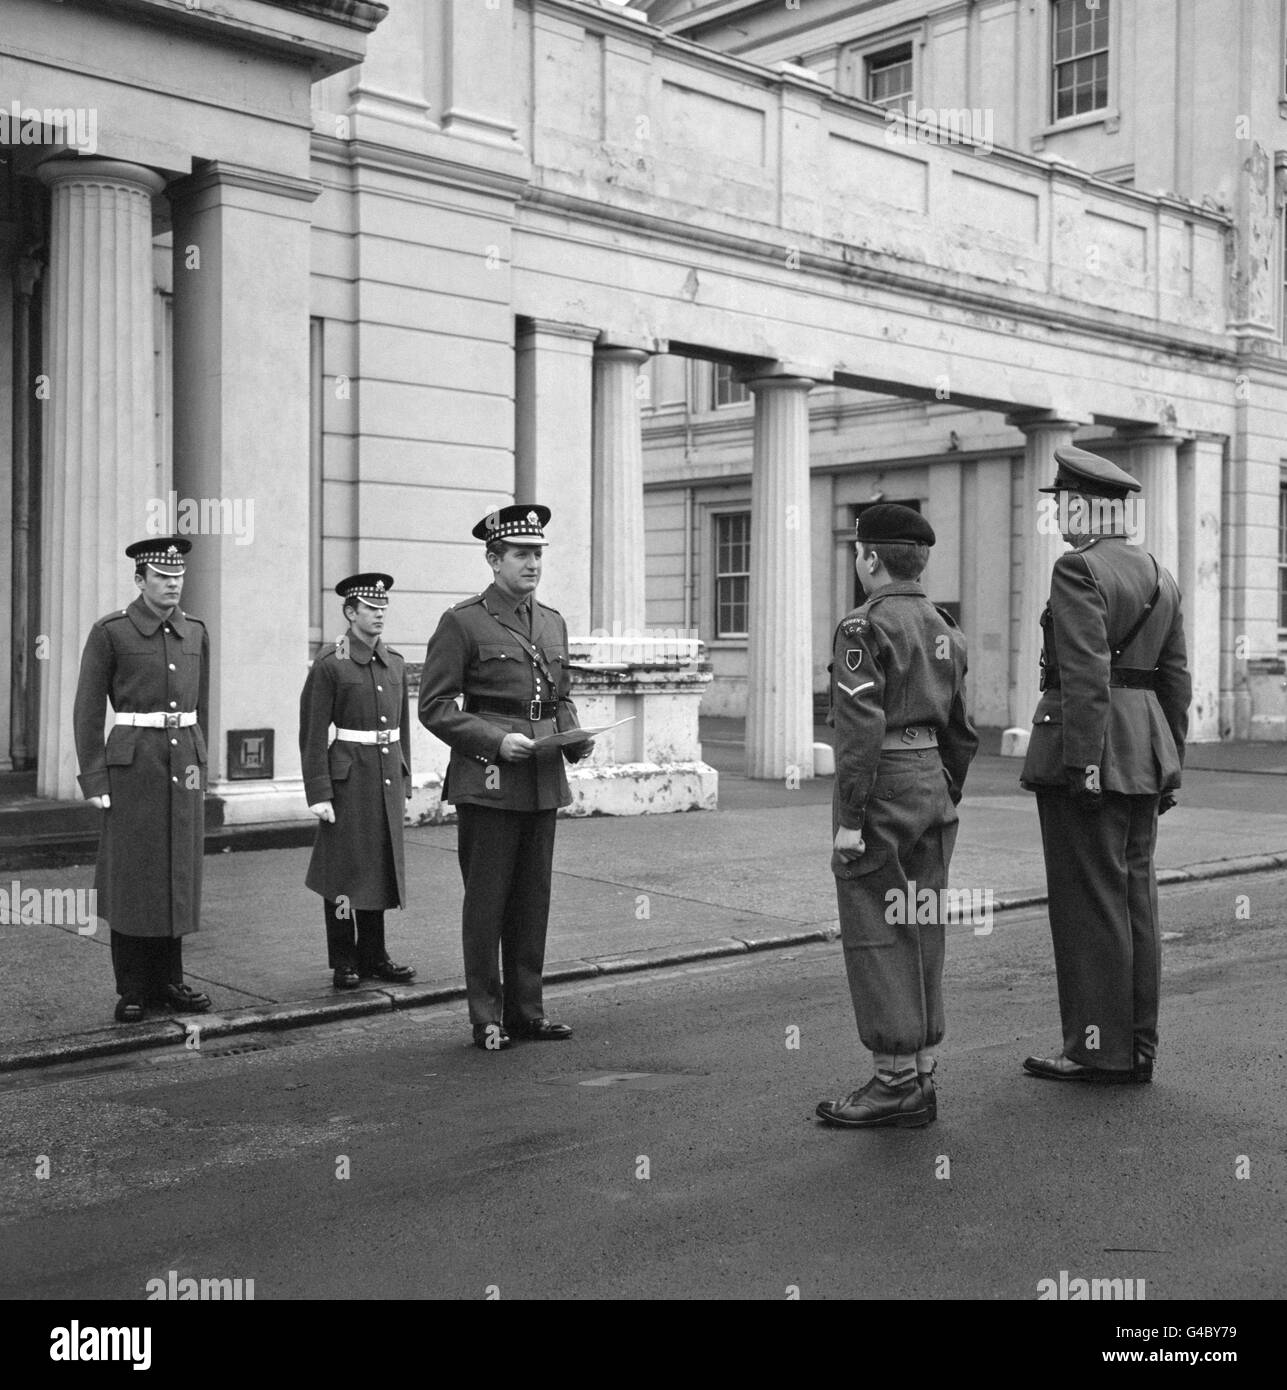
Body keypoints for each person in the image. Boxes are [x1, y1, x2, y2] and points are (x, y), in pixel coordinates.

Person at [1020, 444, 1190, 1085]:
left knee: (1088, 906)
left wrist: (1085, 765)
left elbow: (1087, 676)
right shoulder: (1158, 573)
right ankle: (1136, 1046)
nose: (1060, 513)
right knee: (1135, 902)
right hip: (1144, 752)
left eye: (1063, 501)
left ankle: (1096, 1050)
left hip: (1088, 753)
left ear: (1088, 506)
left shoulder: (1078, 569)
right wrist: (1169, 759)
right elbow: (1175, 680)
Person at [816, 504, 978, 1128]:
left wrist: (851, 819)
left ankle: (893, 1082)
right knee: (923, 922)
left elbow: (859, 731)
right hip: (932, 785)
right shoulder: (944, 626)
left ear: (872, 559)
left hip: (880, 788)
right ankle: (924, 1067)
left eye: (859, 553)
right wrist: (946, 790)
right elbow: (963, 731)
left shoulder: (862, 628)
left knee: (877, 926)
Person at [419, 505, 593, 1051]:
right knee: (487, 902)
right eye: (521, 553)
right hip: (490, 780)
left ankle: (526, 1011)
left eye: (538, 553)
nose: (533, 562)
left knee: (532, 900)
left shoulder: (553, 620)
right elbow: (436, 706)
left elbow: (557, 697)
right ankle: (486, 1016)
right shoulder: (463, 621)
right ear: (494, 560)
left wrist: (575, 737)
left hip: (540, 777)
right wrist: (495, 740)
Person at [73, 537, 212, 1023]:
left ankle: (170, 980)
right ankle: (133, 987)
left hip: (182, 765)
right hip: (133, 767)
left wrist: (201, 767)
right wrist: (94, 777)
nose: (173, 583)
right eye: (161, 576)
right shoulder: (111, 631)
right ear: (140, 579)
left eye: (178, 576)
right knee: (133, 875)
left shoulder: (195, 631)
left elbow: (201, 709)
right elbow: (88, 710)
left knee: (175, 871)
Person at [300, 573, 416, 990]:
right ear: (351, 613)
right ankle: (344, 960)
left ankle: (374, 955)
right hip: (347, 780)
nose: (380, 613)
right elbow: (312, 732)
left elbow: (401, 730)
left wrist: (404, 779)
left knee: (378, 867)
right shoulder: (332, 663)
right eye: (371, 607)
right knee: (345, 874)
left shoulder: (395, 663)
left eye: (383, 606)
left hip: (383, 779)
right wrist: (319, 791)